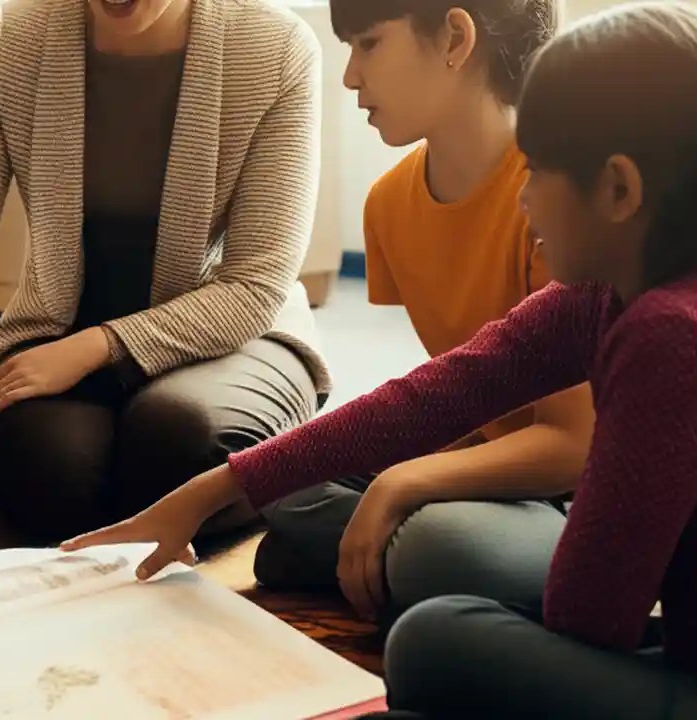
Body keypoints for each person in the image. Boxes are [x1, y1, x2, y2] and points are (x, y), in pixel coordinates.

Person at [66, 3, 697, 716]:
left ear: (619, 190)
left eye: (537, 174)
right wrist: (201, 497)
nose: (526, 200)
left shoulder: (673, 334)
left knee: (429, 640)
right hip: (686, 651)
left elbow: (590, 615)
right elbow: (436, 396)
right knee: (425, 631)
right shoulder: (612, 293)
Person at [0, 0, 328, 542]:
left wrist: (95, 347)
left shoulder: (277, 47)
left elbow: (253, 286)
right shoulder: (9, 36)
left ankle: (281, 462)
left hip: (234, 335)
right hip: (57, 335)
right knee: (46, 468)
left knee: (179, 439)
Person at [252, 0, 596, 622]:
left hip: (573, 496)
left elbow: (574, 446)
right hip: (484, 465)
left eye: (370, 44)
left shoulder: (552, 199)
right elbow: (455, 397)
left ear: (455, 39)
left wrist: (403, 483)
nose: (350, 75)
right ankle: (389, 556)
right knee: (287, 487)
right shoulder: (389, 204)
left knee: (435, 547)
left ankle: (389, 556)